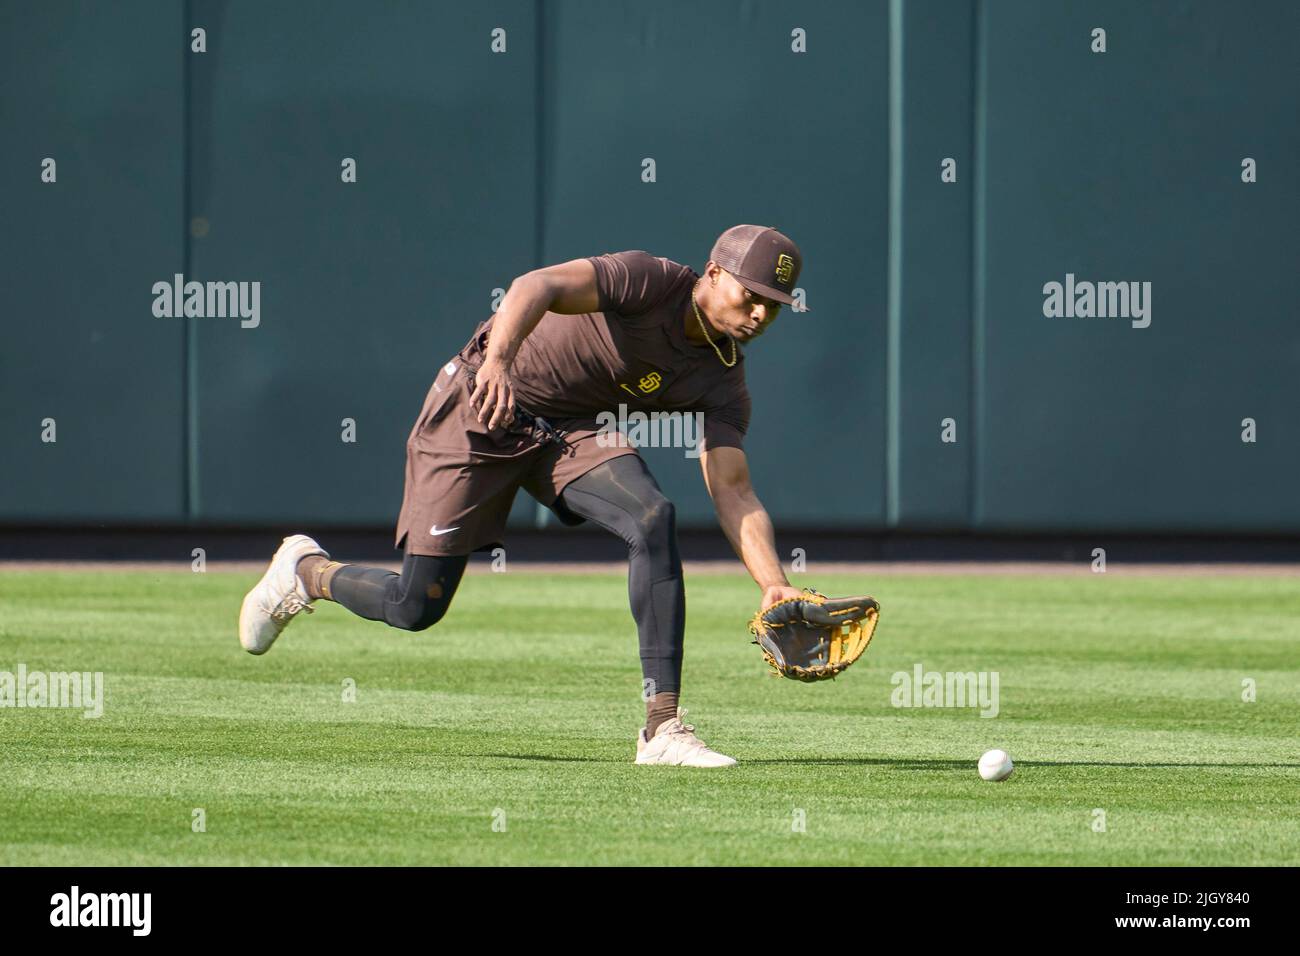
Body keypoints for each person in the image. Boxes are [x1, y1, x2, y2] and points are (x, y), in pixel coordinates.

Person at [239, 224, 809, 767]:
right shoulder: (650, 280)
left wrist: (772, 582)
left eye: (776, 304)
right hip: (480, 405)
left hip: (567, 429)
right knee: (415, 607)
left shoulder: (724, 382)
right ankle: (306, 571)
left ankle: (662, 729)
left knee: (652, 516)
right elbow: (536, 286)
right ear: (713, 273)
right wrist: (498, 362)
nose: (760, 313)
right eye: (751, 294)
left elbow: (734, 489)